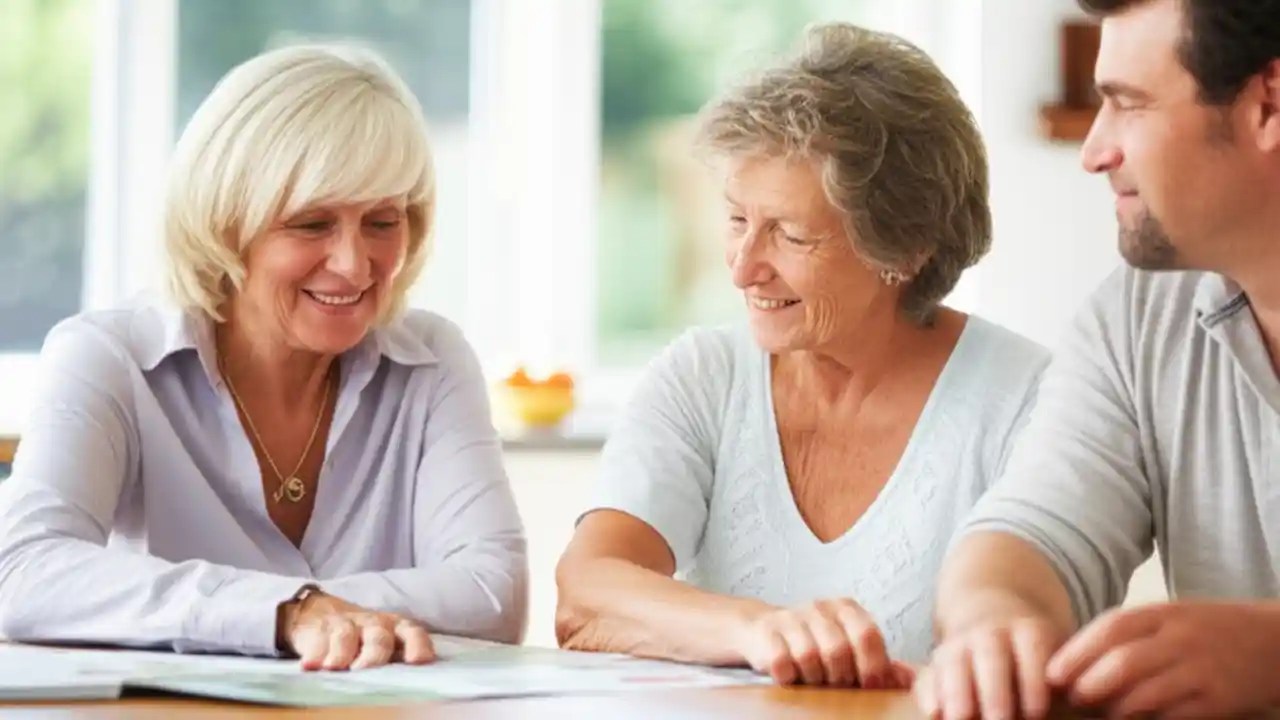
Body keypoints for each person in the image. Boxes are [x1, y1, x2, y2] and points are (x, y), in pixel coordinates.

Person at [0, 44, 528, 671]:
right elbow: (25, 573)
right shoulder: (109, 357)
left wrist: (311, 613)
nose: (354, 264)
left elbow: (494, 592)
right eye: (312, 224)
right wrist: (287, 613)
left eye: (383, 222)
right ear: (226, 226)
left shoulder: (432, 361)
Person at [554, 23, 1049, 688]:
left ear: (904, 250)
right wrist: (755, 630)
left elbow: (1023, 650)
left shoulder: (1031, 402)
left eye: (790, 235)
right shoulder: (704, 376)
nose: (743, 268)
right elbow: (586, 595)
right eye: (736, 221)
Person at [916, 0, 1280, 717]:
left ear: (1267, 104)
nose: (1093, 150)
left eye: (1127, 105)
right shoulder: (1139, 316)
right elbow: (1031, 532)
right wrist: (995, 626)